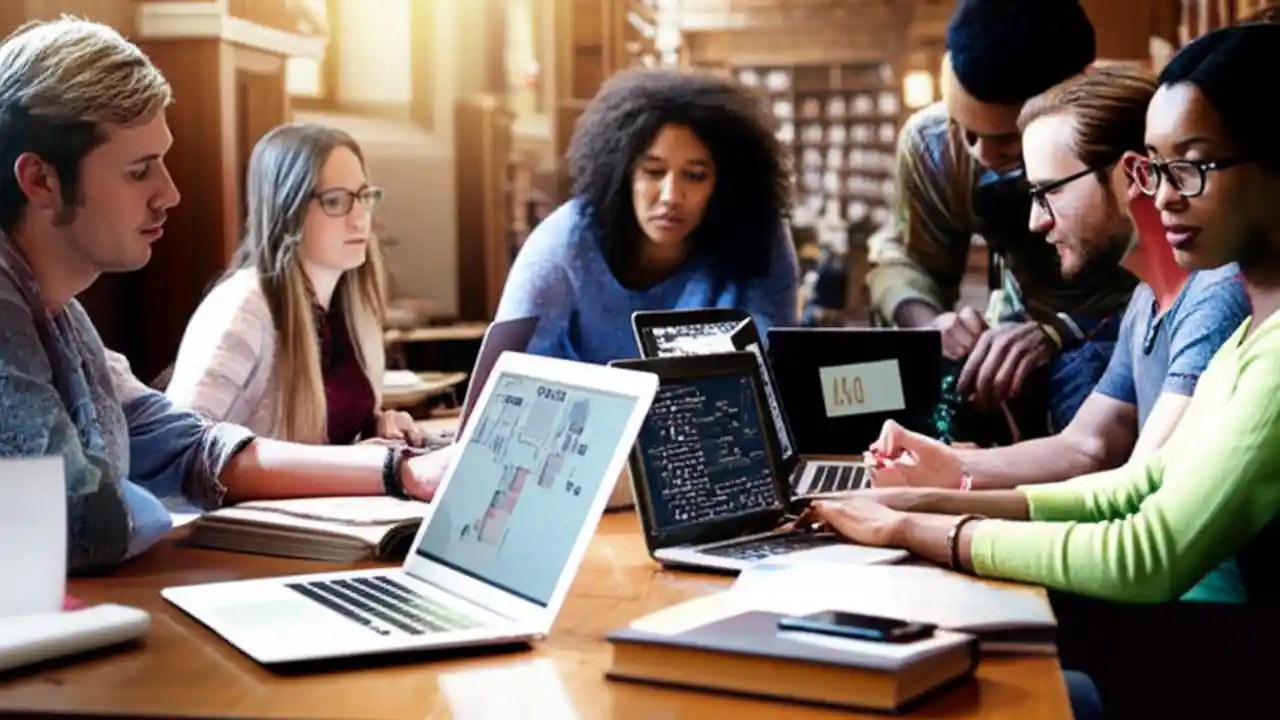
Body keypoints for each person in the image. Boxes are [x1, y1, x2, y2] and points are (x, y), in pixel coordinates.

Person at [806, 23, 1280, 608]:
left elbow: (1145, 544)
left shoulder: (1231, 313)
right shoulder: (1227, 327)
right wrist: (932, 495)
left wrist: (919, 524)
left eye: (1191, 167)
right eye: (1160, 168)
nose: (1160, 195)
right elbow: (1133, 482)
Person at [0, 18, 454, 575]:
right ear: (41, 181)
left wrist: (401, 470)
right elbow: (79, 522)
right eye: (140, 171)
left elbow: (192, 448)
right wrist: (144, 506)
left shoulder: (64, 317)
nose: (169, 193)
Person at [870, 64, 1249, 490]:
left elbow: (1136, 504)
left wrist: (929, 518)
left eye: (1050, 191)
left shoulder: (1214, 295)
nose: (1035, 222)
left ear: (1130, 176)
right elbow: (1086, 447)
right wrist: (946, 465)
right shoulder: (1147, 300)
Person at [867, 0, 1137, 438]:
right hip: (1013, 326)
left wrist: (1060, 331)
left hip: (1114, 330)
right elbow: (910, 261)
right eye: (965, 130)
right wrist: (933, 326)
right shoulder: (933, 143)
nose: (981, 155)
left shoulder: (1138, 126)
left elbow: (1177, 287)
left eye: (1007, 141)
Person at [494, 69, 797, 364]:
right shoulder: (564, 241)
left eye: (694, 176)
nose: (670, 196)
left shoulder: (758, 236)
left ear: (727, 183)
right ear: (621, 171)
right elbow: (509, 373)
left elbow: (773, 371)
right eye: (653, 172)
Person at [166, 123, 424, 447]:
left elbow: (330, 436)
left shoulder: (352, 306)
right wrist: (352, 464)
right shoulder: (242, 309)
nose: (360, 219)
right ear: (288, 210)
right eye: (334, 201)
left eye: (363, 197)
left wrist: (378, 426)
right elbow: (178, 450)